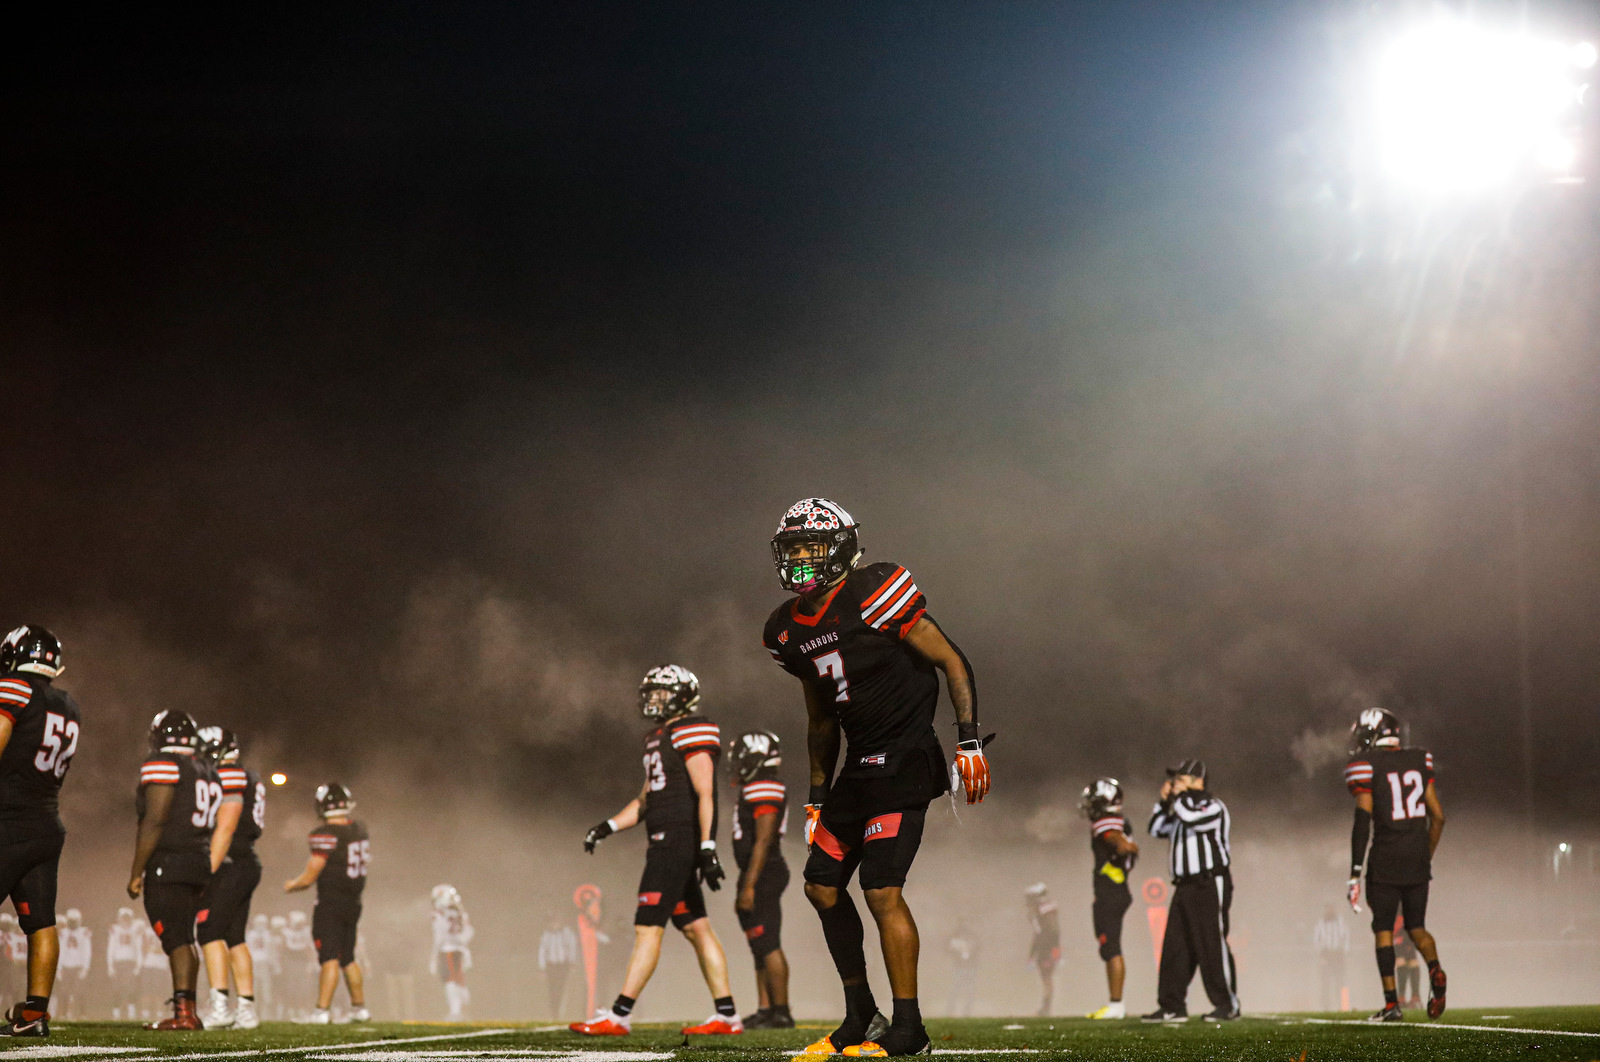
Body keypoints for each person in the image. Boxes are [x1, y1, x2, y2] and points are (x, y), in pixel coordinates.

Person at [762, 498, 990, 1057]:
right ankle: (862, 1012)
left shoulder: (874, 590)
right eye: (792, 549)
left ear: (839, 547)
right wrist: (817, 796)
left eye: (811, 547)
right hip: (857, 769)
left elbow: (951, 660)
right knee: (820, 886)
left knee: (882, 889)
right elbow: (820, 719)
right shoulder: (786, 629)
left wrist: (967, 740)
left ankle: (909, 1028)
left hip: (906, 758)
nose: (801, 559)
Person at [572, 666, 741, 1037]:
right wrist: (607, 827)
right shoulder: (658, 737)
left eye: (661, 693)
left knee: (647, 928)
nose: (653, 700)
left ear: (681, 695)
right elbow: (646, 800)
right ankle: (727, 1015)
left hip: (674, 844)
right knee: (697, 928)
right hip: (666, 840)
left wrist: (708, 847)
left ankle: (618, 1015)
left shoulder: (692, 729)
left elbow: (706, 793)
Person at [0, 627, 80, 1036]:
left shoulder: (14, 689)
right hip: (46, 822)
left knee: (41, 923)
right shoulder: (67, 705)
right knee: (41, 922)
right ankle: (34, 1016)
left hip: (8, 820)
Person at [1344, 707, 1447, 1022]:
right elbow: (1439, 817)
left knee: (1383, 928)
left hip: (1386, 856)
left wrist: (1355, 874)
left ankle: (1391, 1005)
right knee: (1417, 928)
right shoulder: (1419, 759)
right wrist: (1423, 856)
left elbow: (1363, 820)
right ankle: (1436, 970)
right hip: (1417, 856)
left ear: (1373, 733)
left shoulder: (1366, 764)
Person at [127, 710, 224, 1030]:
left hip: (170, 862)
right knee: (185, 937)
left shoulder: (164, 764)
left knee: (176, 938)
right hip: (198, 860)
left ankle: (184, 1014)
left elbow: (154, 820)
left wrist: (136, 871)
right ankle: (187, 1010)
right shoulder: (207, 769)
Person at [1143, 759, 1238, 1023]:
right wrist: (1164, 803)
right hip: (1184, 886)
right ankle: (1172, 1005)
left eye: (1182, 779)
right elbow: (1155, 828)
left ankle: (1226, 1003)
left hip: (1209, 883)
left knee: (1211, 943)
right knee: (1175, 945)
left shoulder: (1213, 807)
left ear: (1199, 782)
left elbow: (1192, 817)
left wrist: (1178, 798)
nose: (1175, 785)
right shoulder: (1179, 809)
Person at [284, 783, 370, 1023]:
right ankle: (360, 1009)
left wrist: (292, 885)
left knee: (329, 958)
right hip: (353, 902)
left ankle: (321, 1011)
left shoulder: (325, 833)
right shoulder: (360, 829)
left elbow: (310, 876)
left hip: (331, 903)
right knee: (348, 958)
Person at [196, 727, 264, 1029]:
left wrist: (207, 868)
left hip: (229, 861)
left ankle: (221, 1005)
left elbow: (225, 827)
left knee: (209, 931)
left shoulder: (230, 773)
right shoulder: (248, 774)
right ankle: (246, 1008)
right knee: (234, 936)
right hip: (246, 859)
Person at [728, 729, 794, 1030]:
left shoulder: (765, 787)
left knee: (769, 943)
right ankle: (766, 1009)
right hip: (758, 871)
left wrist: (749, 885)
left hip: (764, 871)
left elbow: (763, 840)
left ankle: (781, 1011)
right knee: (758, 944)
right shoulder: (758, 785)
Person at [1080, 778, 1138, 1019]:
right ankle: (1115, 1003)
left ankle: (1116, 1005)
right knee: (1108, 945)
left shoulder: (1107, 822)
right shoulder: (1119, 820)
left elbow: (1122, 845)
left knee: (1111, 945)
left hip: (1112, 892)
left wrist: (1121, 844)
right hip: (1114, 890)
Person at [430, 884, 474, 1020]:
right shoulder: (461, 913)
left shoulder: (439, 914)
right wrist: (463, 946)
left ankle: (455, 1011)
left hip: (447, 949)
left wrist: (433, 956)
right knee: (460, 980)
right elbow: (470, 932)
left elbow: (439, 936)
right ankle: (464, 1008)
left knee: (449, 980)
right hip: (461, 950)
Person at [1022, 884, 1060, 1017]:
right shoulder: (1040, 912)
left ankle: (1046, 1008)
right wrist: (1032, 953)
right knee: (1045, 978)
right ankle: (1045, 1007)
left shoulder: (1045, 911)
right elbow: (1038, 933)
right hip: (1045, 948)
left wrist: (1052, 949)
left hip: (1047, 948)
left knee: (1047, 978)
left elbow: (1050, 932)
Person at [537, 914, 578, 1021]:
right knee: (552, 989)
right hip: (551, 966)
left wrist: (572, 963)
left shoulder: (567, 933)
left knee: (561, 988)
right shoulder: (546, 935)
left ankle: (560, 1011)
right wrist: (542, 968)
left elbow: (572, 947)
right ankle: (554, 1012)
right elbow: (542, 951)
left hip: (562, 965)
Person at [106, 907, 143, 1020]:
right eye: (123, 918)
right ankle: (116, 1012)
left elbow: (138, 949)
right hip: (118, 962)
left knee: (131, 988)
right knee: (117, 988)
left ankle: (131, 1011)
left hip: (130, 962)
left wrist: (138, 966)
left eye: (127, 918)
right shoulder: (115, 930)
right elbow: (110, 948)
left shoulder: (135, 930)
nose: (125, 921)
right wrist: (110, 966)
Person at [1312, 905, 1349, 1012]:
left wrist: (1343, 952)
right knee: (1325, 982)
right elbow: (1316, 939)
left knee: (1340, 981)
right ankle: (1326, 1006)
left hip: (1338, 954)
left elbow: (1346, 936)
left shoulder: (1341, 922)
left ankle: (1342, 1005)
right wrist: (1320, 954)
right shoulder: (1320, 923)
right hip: (1326, 955)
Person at [56, 910, 90, 1019]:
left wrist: (85, 967)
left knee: (80, 992)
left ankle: (82, 1014)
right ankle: (64, 1013)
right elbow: (61, 950)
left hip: (78, 966)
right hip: (66, 966)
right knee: (64, 991)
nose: (72, 923)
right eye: (71, 921)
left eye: (74, 921)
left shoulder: (84, 932)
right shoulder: (63, 932)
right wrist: (59, 967)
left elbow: (87, 950)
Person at [945, 920, 979, 1018]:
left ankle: (967, 1010)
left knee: (969, 990)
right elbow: (949, 952)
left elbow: (976, 951)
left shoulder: (971, 941)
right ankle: (951, 1010)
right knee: (956, 990)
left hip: (969, 968)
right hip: (960, 968)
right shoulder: (955, 942)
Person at [1393, 912, 1422, 1010]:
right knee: (1402, 962)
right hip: (1398, 931)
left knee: (1411, 962)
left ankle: (1414, 997)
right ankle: (1402, 998)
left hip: (1407, 930)